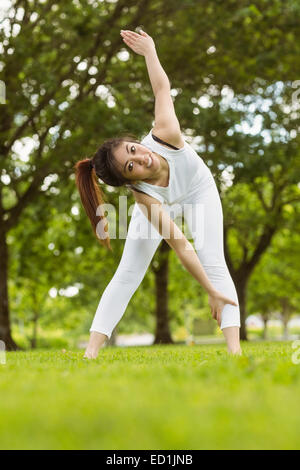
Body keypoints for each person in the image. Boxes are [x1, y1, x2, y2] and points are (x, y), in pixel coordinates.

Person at [74, 29, 242, 359]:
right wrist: (208, 291)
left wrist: (150, 51)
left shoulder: (166, 133)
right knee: (128, 272)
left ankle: (235, 351)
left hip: (198, 189)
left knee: (214, 259)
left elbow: (161, 88)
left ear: (135, 141)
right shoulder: (144, 198)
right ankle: (90, 354)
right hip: (165, 202)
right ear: (129, 182)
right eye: (131, 167)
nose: (141, 158)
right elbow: (180, 244)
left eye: (133, 149)